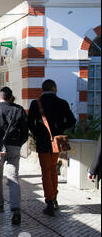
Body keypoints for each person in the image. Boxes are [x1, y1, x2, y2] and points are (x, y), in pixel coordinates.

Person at [28, 79, 76, 217]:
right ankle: (54, 197)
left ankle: (49, 200)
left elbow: (30, 123)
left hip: (43, 141)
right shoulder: (62, 103)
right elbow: (72, 120)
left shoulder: (36, 104)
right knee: (53, 169)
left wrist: (37, 134)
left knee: (45, 171)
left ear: (43, 89)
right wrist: (60, 129)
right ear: (54, 88)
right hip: (57, 141)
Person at [0, 87, 28, 225]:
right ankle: (16, 208)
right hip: (14, 148)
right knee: (13, 177)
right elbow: (25, 132)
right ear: (11, 97)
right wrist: (18, 144)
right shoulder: (19, 110)